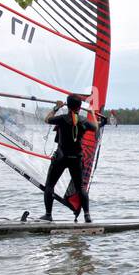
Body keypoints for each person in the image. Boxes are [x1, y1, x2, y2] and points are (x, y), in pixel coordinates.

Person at [39, 94, 97, 222]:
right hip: (76, 159)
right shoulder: (84, 121)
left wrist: (56, 108)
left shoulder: (62, 118)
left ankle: (48, 215)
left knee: (49, 185)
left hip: (61, 158)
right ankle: (87, 215)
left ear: (68, 105)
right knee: (80, 187)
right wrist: (92, 113)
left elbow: (47, 119)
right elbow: (95, 127)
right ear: (80, 107)